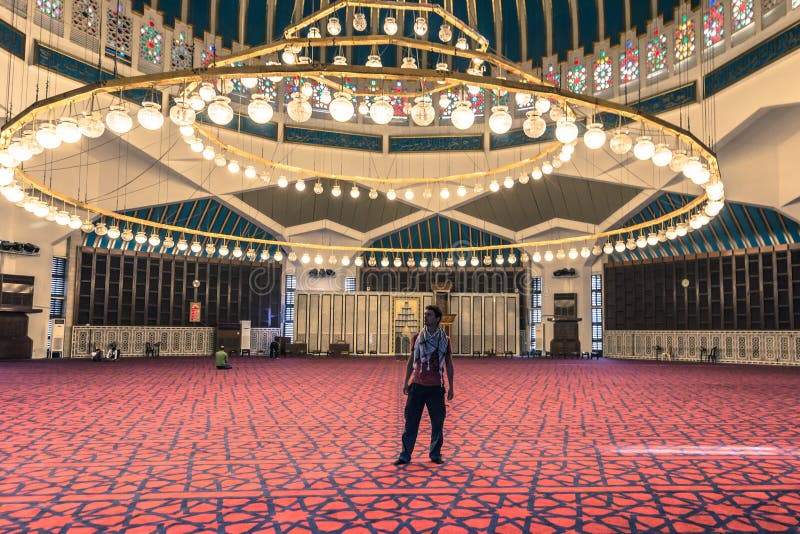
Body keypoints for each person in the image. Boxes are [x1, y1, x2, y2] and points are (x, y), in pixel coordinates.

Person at [394, 304, 454, 466]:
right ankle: (405, 454)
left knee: (437, 422)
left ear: (437, 319)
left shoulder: (445, 340)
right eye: (425, 314)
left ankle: (435, 454)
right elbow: (411, 361)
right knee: (411, 422)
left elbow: (448, 364)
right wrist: (406, 381)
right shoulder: (417, 337)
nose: (425, 317)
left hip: (436, 387)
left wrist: (451, 387)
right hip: (417, 385)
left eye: (429, 315)